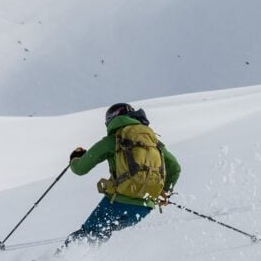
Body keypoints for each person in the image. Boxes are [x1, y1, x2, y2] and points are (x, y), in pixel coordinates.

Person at [66, 102, 181, 245]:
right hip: (144, 207)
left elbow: (80, 169)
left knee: (88, 234)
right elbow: (175, 167)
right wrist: (165, 191)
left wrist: (75, 158)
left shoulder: (112, 140)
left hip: (118, 201)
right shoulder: (153, 141)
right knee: (101, 233)